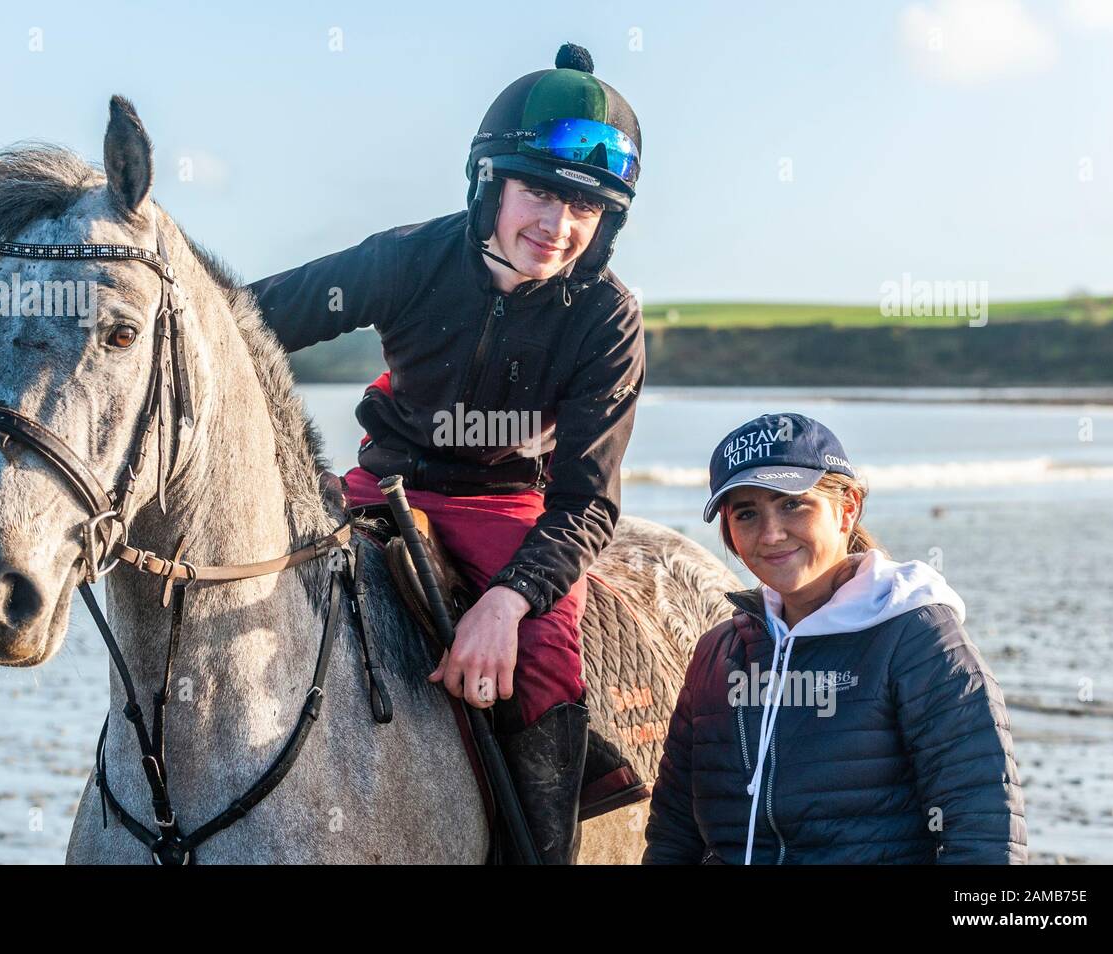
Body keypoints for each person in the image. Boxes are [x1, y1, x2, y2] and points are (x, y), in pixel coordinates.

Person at [245, 42, 645, 863]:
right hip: (376, 484)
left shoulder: (608, 316)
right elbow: (244, 324)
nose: (557, 227)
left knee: (546, 662)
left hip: (506, 506)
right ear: (489, 183)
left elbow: (587, 503)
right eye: (539, 192)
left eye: (585, 207)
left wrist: (509, 601)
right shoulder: (405, 257)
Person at [643, 413, 1028, 864]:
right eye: (746, 513)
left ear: (847, 508)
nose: (771, 534)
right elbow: (674, 833)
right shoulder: (718, 653)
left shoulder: (918, 640)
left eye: (793, 505)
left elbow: (983, 830)